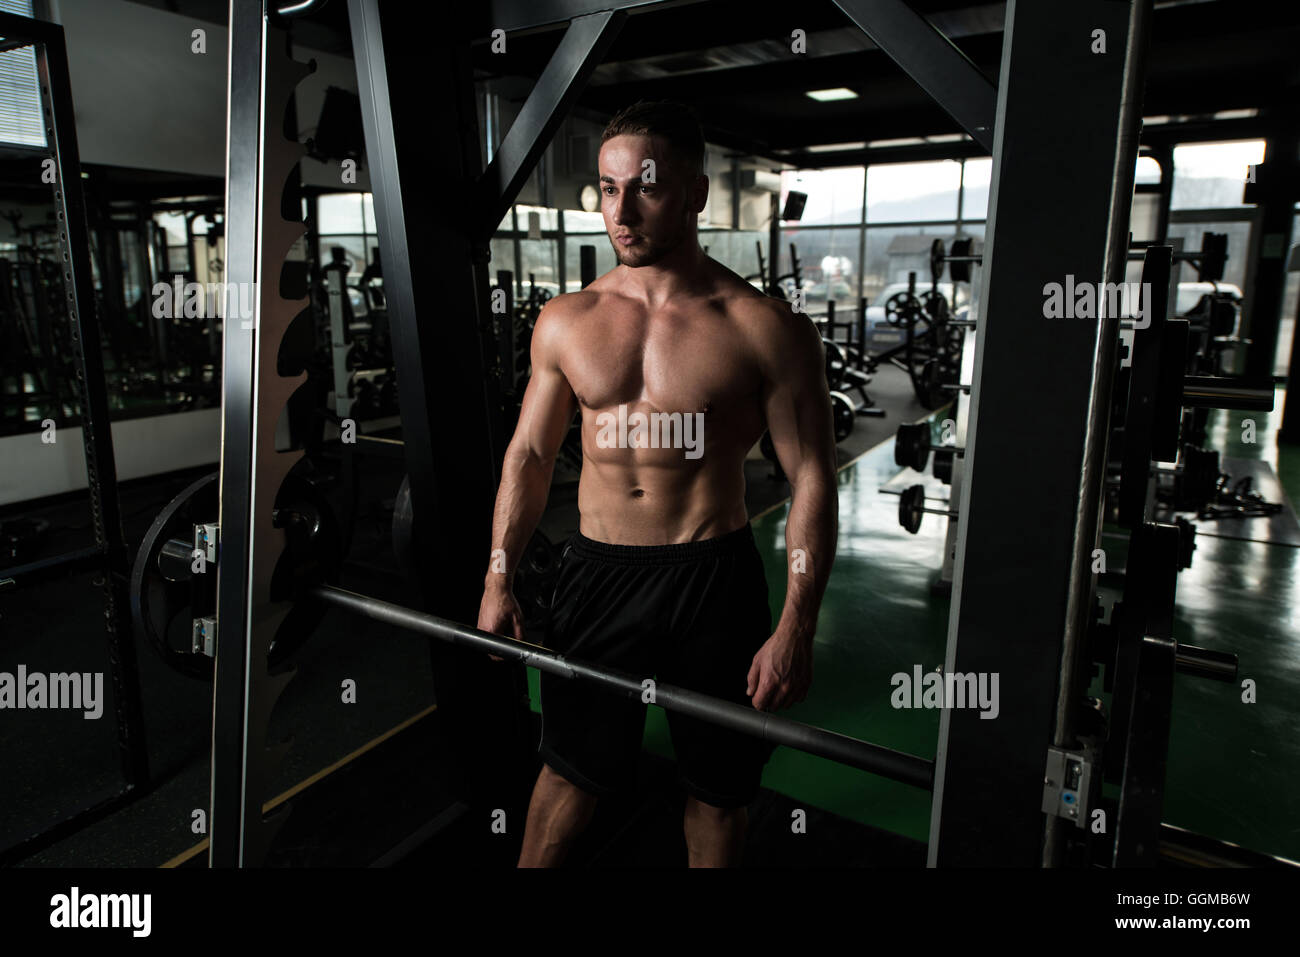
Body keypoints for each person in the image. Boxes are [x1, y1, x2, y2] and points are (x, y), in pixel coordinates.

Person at [476, 100, 838, 868]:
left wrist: (797, 624)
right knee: (571, 772)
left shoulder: (761, 326)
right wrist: (498, 575)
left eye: (645, 187)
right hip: (597, 574)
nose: (623, 211)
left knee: (718, 790)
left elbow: (811, 476)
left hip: (714, 579)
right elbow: (529, 457)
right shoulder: (565, 320)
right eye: (607, 190)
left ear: (697, 193)